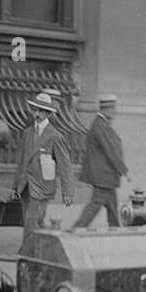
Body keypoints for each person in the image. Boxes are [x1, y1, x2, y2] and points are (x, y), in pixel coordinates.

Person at [12, 91, 75, 237]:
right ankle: (46, 246)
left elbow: (65, 166)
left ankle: (28, 251)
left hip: (42, 185)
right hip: (25, 184)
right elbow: (21, 162)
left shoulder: (55, 136)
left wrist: (68, 192)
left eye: (41, 111)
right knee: (34, 221)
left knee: (31, 219)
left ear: (48, 113)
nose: (37, 114)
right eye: (35, 110)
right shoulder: (27, 133)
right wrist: (14, 186)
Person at [78, 94, 128, 229]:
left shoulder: (100, 124)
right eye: (113, 109)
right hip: (103, 175)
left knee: (111, 204)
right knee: (96, 203)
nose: (114, 112)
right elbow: (111, 151)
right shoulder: (101, 126)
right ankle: (77, 229)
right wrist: (124, 170)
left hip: (104, 175)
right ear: (106, 109)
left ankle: (115, 230)